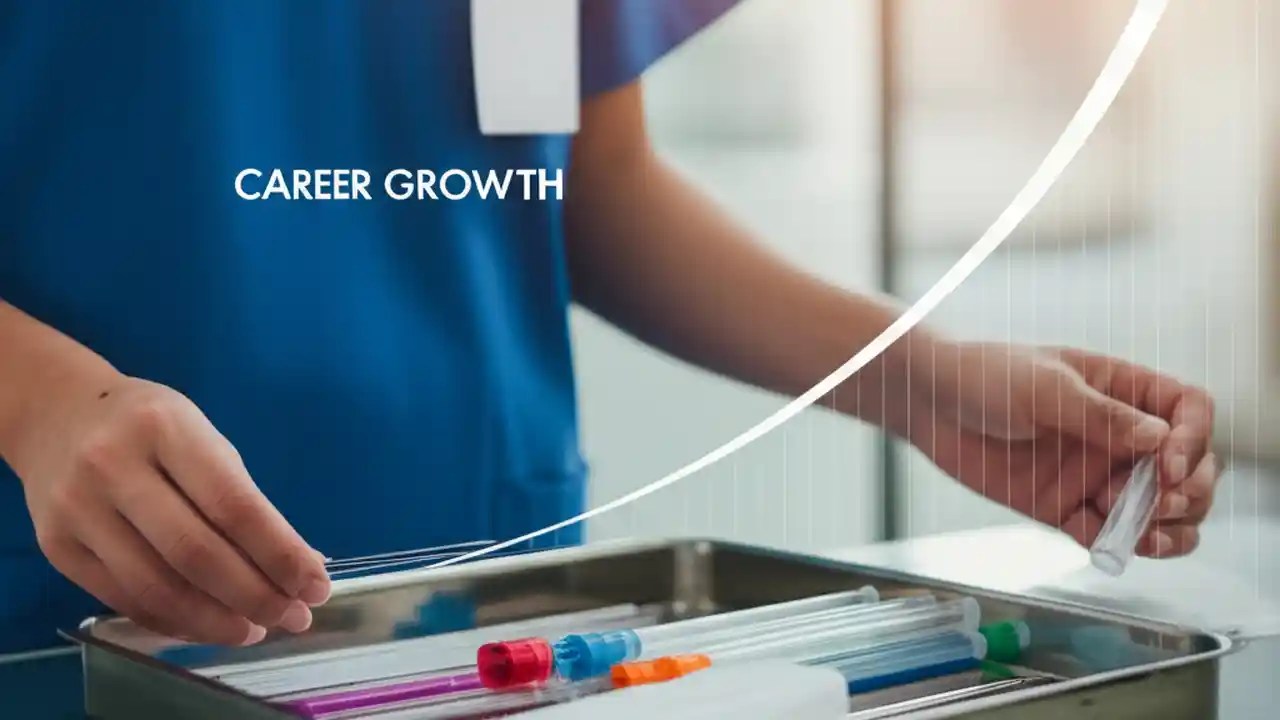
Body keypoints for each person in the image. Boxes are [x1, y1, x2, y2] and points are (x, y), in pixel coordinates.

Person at [0, 1, 1220, 656]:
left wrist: (919, 380)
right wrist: (37, 399)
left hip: (496, 616)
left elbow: (575, 179)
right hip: (78, 632)